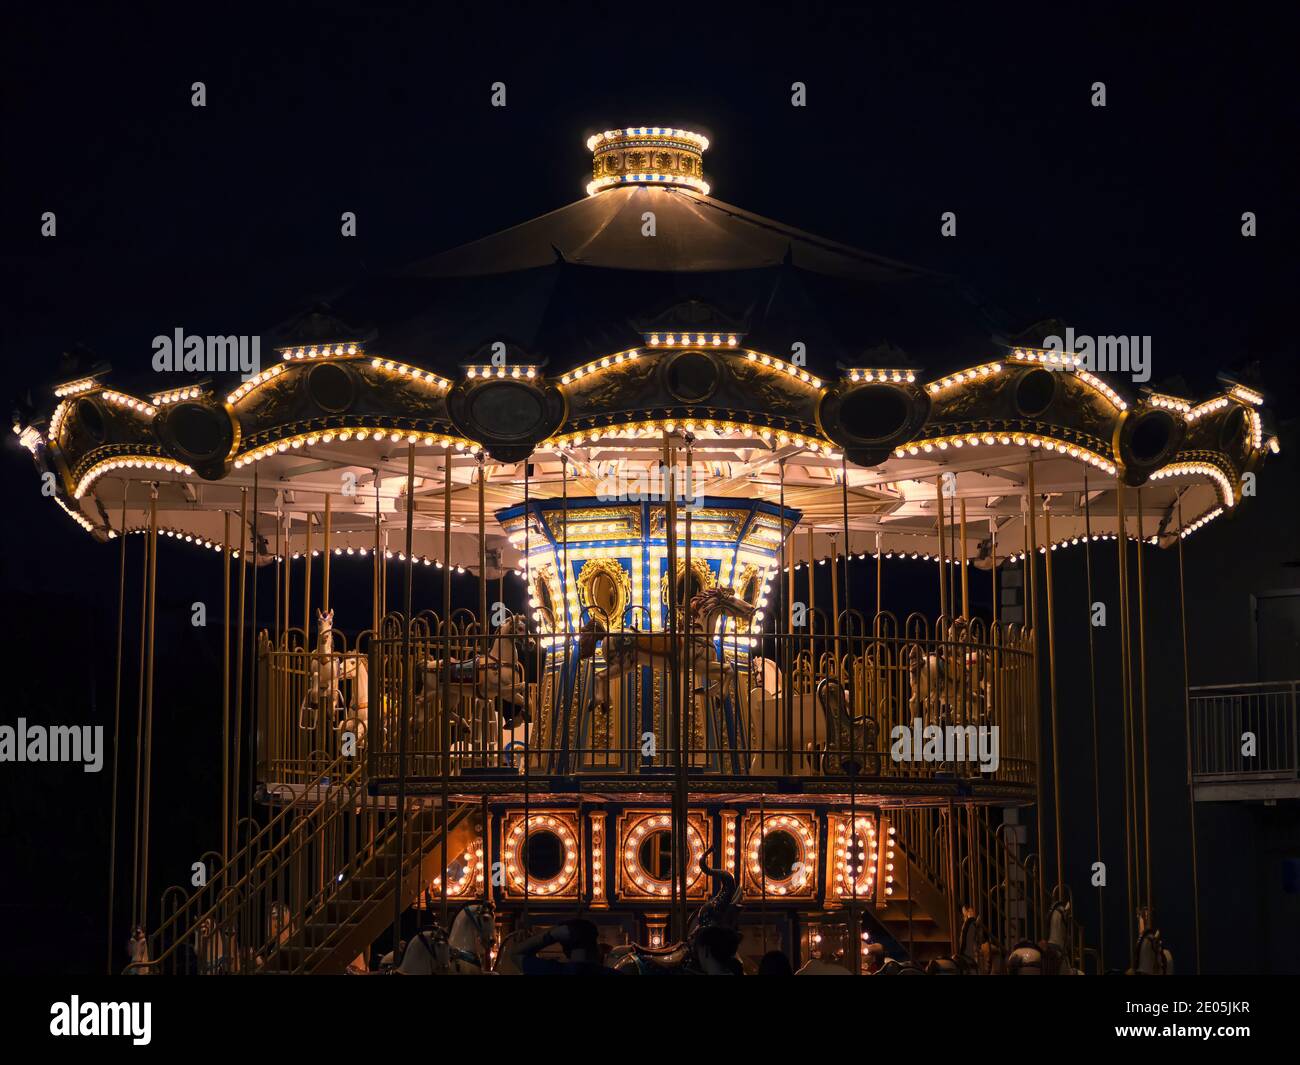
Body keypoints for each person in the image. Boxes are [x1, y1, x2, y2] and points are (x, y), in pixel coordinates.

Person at [509, 918, 619, 975]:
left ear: (565, 949)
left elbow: (515, 954)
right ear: (595, 947)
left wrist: (551, 935)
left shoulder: (549, 971)